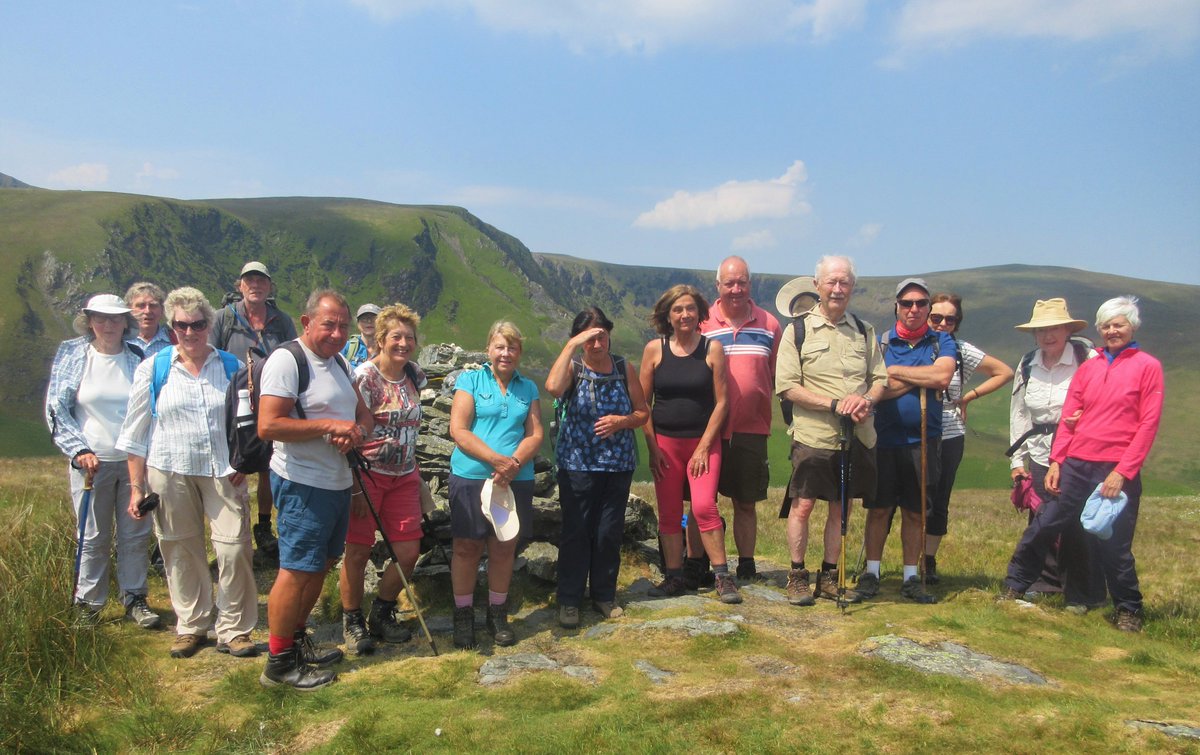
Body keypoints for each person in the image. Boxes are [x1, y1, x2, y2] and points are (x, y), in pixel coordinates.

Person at [1001, 297, 1163, 632]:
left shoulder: (1148, 367)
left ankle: (1128, 610)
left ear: (1132, 326)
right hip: (1076, 462)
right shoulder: (1090, 368)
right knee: (1044, 523)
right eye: (1106, 325)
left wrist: (1122, 471)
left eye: (1118, 324)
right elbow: (1068, 420)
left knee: (1114, 543)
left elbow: (1148, 424)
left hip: (1115, 468)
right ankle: (1014, 585)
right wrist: (1058, 460)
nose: (1112, 330)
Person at [116, 287, 257, 656]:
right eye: (181, 325)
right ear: (171, 326)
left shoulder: (231, 366)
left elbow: (247, 422)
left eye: (197, 324)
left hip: (224, 471)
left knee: (234, 548)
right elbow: (135, 433)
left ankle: (234, 628)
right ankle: (192, 625)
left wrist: (243, 461)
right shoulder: (154, 368)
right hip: (169, 469)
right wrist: (136, 487)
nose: (189, 332)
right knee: (180, 548)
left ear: (209, 324)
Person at [257, 289, 372, 689]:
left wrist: (353, 433)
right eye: (329, 324)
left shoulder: (338, 362)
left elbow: (363, 416)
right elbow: (268, 425)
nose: (338, 333)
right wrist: (329, 427)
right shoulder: (288, 361)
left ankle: (295, 641)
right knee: (295, 571)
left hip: (335, 482)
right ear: (307, 323)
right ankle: (278, 664)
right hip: (301, 482)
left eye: (343, 325)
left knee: (319, 566)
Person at [775, 257, 886, 606]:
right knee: (804, 505)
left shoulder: (864, 331)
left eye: (844, 283)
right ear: (817, 285)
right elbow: (787, 387)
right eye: (831, 282)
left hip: (856, 435)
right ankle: (797, 577)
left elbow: (880, 379)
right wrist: (836, 404)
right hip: (813, 435)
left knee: (842, 508)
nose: (838, 289)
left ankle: (829, 577)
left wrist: (865, 400)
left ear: (852, 287)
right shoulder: (797, 331)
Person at [45, 294, 158, 627]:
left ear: (126, 322)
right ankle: (89, 603)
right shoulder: (74, 354)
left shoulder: (140, 356)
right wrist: (79, 450)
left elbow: (153, 407)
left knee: (136, 533)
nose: (108, 325)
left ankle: (135, 598)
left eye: (115, 319)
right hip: (91, 465)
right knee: (93, 536)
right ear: (89, 321)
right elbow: (57, 407)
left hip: (136, 462)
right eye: (100, 318)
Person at [545, 307, 649, 628]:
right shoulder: (574, 367)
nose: (596, 343)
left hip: (617, 466)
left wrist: (622, 422)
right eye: (589, 337)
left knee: (608, 533)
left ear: (609, 334)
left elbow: (643, 412)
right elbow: (553, 387)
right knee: (576, 532)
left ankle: (604, 595)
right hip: (576, 466)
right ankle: (569, 600)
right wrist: (571, 345)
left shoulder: (623, 368)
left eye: (601, 334)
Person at [857, 278, 957, 604]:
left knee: (916, 512)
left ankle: (911, 577)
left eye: (921, 303)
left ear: (928, 308)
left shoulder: (942, 342)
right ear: (897, 307)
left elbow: (942, 376)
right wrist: (915, 377)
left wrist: (895, 372)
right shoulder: (881, 343)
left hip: (924, 442)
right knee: (879, 510)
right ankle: (871, 572)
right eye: (907, 303)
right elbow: (876, 390)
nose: (914, 309)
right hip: (883, 441)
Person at [639, 285, 738, 603]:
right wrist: (653, 449)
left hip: (703, 444)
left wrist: (704, 446)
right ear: (667, 315)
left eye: (690, 309)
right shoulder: (654, 350)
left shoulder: (712, 349)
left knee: (704, 506)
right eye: (678, 309)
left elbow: (722, 403)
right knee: (668, 513)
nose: (684, 315)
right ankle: (675, 576)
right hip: (666, 444)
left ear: (700, 313)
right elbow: (643, 405)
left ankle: (722, 575)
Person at [448, 321, 543, 649]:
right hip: (472, 476)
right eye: (500, 347)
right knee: (466, 547)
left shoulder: (528, 388)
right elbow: (458, 430)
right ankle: (463, 616)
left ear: (519, 352)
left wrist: (513, 464)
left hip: (515, 479)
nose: (506, 353)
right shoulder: (470, 380)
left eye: (512, 347)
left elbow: (536, 434)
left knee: (503, 547)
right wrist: (496, 461)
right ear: (489, 349)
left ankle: (497, 614)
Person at [339, 303, 427, 655]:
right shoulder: (363, 378)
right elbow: (351, 431)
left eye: (409, 337)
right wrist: (356, 487)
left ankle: (382, 611)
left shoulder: (414, 375)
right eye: (396, 337)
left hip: (404, 475)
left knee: (408, 550)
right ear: (381, 339)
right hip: (368, 476)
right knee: (357, 551)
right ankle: (351, 619)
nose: (403, 343)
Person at [1007, 298, 1106, 607]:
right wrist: (1016, 460)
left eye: (1054, 329)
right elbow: (1019, 413)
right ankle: (1046, 584)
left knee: (1076, 522)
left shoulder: (1087, 358)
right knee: (1041, 519)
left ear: (1066, 329)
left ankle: (1083, 593)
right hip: (1038, 453)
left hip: (1079, 453)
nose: (1047, 336)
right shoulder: (1027, 364)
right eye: (1041, 330)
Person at [695, 256, 782, 582]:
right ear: (718, 286)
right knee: (702, 502)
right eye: (729, 283)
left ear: (750, 284)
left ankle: (746, 564)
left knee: (746, 502)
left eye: (741, 282)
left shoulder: (770, 324)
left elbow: (776, 376)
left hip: (751, 429)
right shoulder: (703, 323)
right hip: (706, 430)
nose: (735, 289)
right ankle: (698, 564)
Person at [210, 261, 298, 560]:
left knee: (268, 466)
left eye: (261, 281)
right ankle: (230, 531)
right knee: (233, 463)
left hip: (272, 400)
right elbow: (211, 354)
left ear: (269, 286)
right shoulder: (224, 318)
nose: (255, 286)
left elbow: (294, 355)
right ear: (240, 285)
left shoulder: (281, 320)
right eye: (250, 281)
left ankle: (263, 526)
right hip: (234, 404)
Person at [923, 293, 1014, 583]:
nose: (942, 324)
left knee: (939, 497)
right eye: (936, 317)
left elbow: (1004, 372)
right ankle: (882, 565)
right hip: (912, 427)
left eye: (950, 319)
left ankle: (927, 560)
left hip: (949, 429)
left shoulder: (961, 350)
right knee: (900, 495)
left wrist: (968, 397)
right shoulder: (911, 346)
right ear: (926, 315)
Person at [125, 282, 173, 358]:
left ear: (162, 310)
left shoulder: (174, 341)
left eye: (153, 305)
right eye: (141, 305)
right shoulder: (119, 341)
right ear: (129, 310)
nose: (147, 311)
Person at [342, 303, 381, 369]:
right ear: (358, 323)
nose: (369, 321)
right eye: (364, 319)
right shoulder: (347, 347)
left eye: (374, 318)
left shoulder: (387, 348)